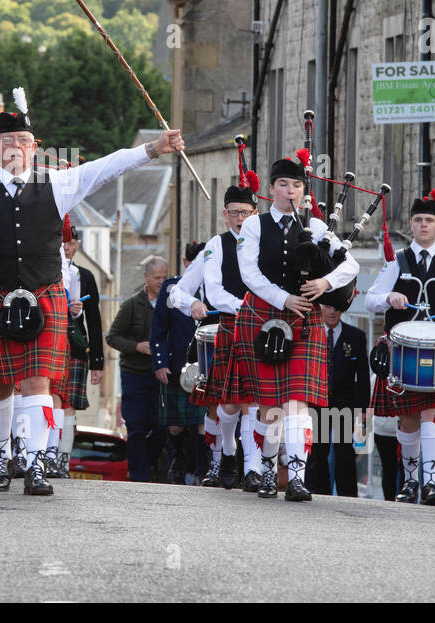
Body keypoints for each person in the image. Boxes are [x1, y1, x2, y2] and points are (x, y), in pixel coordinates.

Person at [0, 88, 185, 494]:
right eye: (7, 142)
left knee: (38, 381)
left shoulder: (57, 183)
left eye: (22, 142)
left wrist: (151, 149)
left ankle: (37, 463)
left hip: (44, 295)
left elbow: (106, 167)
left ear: (34, 147)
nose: (15, 149)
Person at [233, 157, 360, 501]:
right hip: (263, 317)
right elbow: (249, 274)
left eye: (297, 186)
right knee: (267, 405)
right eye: (284, 185)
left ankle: (296, 477)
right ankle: (263, 467)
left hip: (305, 323)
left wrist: (324, 282)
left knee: (296, 403)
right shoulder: (254, 227)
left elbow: (351, 265)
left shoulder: (317, 228)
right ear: (270, 189)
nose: (291, 192)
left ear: (304, 191)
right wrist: (284, 298)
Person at [364, 191, 435, 505]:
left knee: (432, 416)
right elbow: (369, 299)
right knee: (407, 419)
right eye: (418, 220)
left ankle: (430, 483)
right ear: (411, 224)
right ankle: (409, 483)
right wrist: (388, 298)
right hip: (403, 352)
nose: (423, 225)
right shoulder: (397, 262)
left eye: (429, 220)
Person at [198, 185, 262, 489]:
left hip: (261, 328)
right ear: (225, 215)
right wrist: (246, 307)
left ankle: (252, 469)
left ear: (254, 214)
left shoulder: (264, 244)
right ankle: (225, 453)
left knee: (253, 401)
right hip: (231, 325)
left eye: (245, 212)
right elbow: (213, 291)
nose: (240, 217)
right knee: (225, 404)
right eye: (234, 212)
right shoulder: (217, 244)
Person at [107, 256, 169, 482]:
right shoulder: (131, 305)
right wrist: (136, 347)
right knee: (136, 427)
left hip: (161, 375)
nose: (161, 282)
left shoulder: (171, 303)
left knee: (161, 426)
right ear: (146, 278)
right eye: (156, 278)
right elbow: (112, 337)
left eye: (164, 277)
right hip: (134, 374)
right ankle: (138, 476)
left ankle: (155, 469)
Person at [151, 243, 208, 483]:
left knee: (204, 423)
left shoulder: (216, 288)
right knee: (175, 426)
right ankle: (178, 459)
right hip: (177, 365)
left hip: (207, 366)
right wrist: (160, 362)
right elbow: (159, 329)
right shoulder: (170, 288)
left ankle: (203, 469)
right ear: (186, 264)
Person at [306, 303, 369, 496]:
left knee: (344, 452)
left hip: (345, 403)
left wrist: (363, 410)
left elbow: (363, 376)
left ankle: (348, 496)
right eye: (328, 307)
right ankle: (317, 493)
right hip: (317, 401)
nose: (333, 311)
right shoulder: (310, 333)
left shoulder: (356, 336)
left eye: (337, 307)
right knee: (317, 451)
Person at [60, 226, 104, 478]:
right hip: (49, 342)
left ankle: (62, 463)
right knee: (50, 401)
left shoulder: (85, 276)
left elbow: (95, 319)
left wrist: (98, 362)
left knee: (69, 404)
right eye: (63, 242)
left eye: (71, 243)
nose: (67, 247)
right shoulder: (47, 272)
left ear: (77, 246)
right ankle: (44, 458)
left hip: (76, 346)